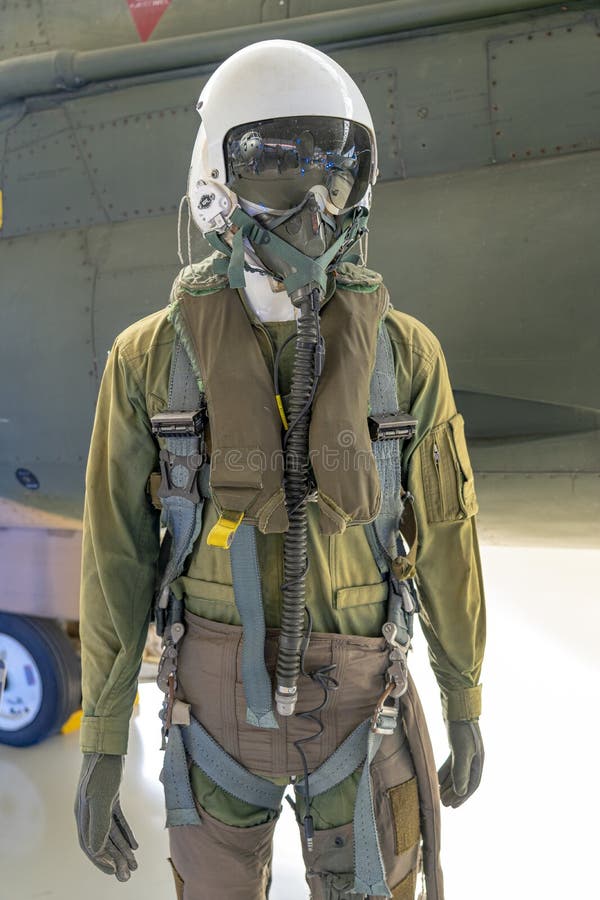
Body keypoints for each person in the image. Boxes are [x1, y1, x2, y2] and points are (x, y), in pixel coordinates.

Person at [74, 40, 485, 900]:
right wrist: (103, 738)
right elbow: (115, 555)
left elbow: (447, 536)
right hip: (210, 720)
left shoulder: (404, 358)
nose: (313, 210)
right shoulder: (151, 361)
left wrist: (464, 696)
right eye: (278, 171)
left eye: (334, 175)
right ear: (215, 187)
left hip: (363, 711)